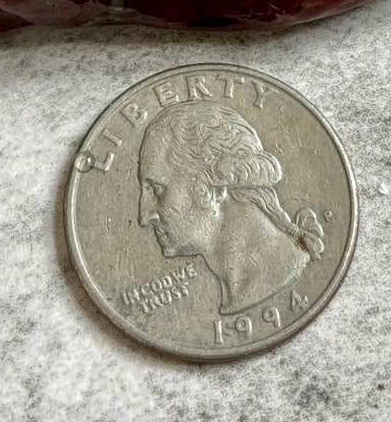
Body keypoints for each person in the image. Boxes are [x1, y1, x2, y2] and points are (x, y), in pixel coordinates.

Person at [138, 99, 324, 315]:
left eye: (157, 190)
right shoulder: (241, 291)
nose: (145, 216)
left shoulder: (276, 274)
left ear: (210, 186)